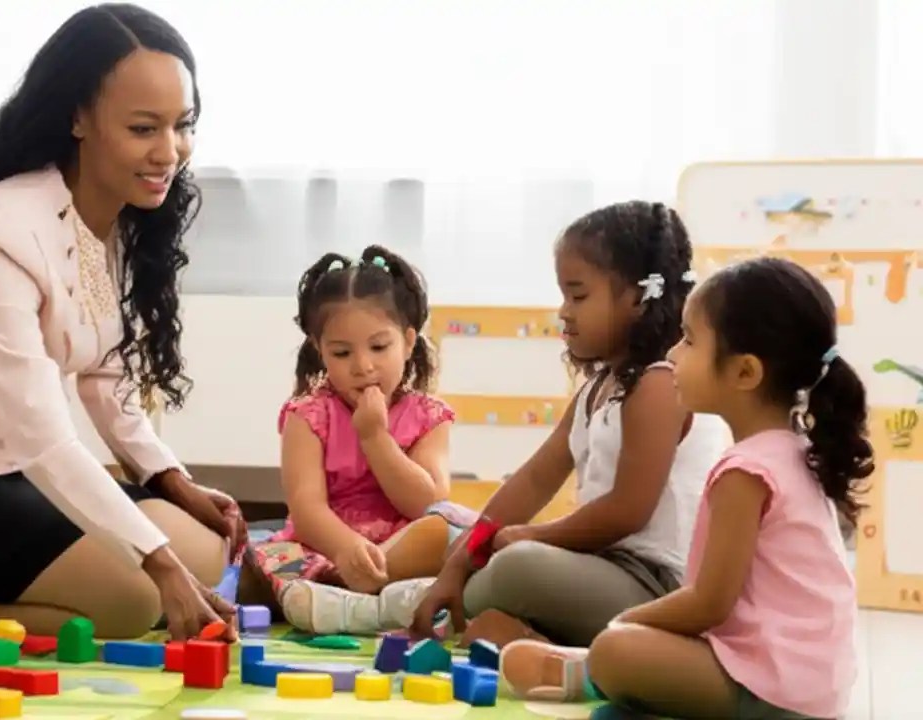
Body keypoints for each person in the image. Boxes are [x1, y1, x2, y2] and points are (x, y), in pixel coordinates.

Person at [0, 3, 245, 641]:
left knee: (205, 550)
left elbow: (107, 376)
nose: (170, 153)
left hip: (11, 472)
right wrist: (158, 564)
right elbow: (45, 441)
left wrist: (172, 481)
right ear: (78, 116)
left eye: (182, 126)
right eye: (144, 128)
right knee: (136, 600)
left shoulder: (120, 220)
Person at [498, 257, 868, 720]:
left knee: (618, 647)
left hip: (774, 692)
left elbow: (708, 603)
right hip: (799, 683)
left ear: (744, 373)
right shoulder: (790, 452)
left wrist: (623, 623)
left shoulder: (747, 471)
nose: (673, 354)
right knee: (629, 650)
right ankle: (598, 673)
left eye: (689, 339)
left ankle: (590, 669)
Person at [412, 201, 730, 648]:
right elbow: (534, 479)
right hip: (607, 570)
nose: (564, 311)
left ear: (639, 298)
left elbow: (627, 510)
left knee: (516, 566)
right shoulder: (598, 389)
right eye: (563, 295)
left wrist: (532, 536)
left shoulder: (660, 385)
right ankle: (508, 625)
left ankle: (410, 605)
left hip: (658, 586)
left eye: (578, 296)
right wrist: (458, 562)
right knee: (469, 546)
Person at [247, 245, 459, 635]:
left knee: (443, 530)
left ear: (409, 342)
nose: (363, 366)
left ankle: (355, 600)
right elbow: (307, 509)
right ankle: (364, 599)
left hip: (397, 547)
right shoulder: (308, 416)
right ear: (319, 350)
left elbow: (427, 502)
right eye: (342, 352)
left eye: (379, 347)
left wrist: (374, 437)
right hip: (326, 547)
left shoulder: (429, 416)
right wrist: (346, 551)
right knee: (267, 556)